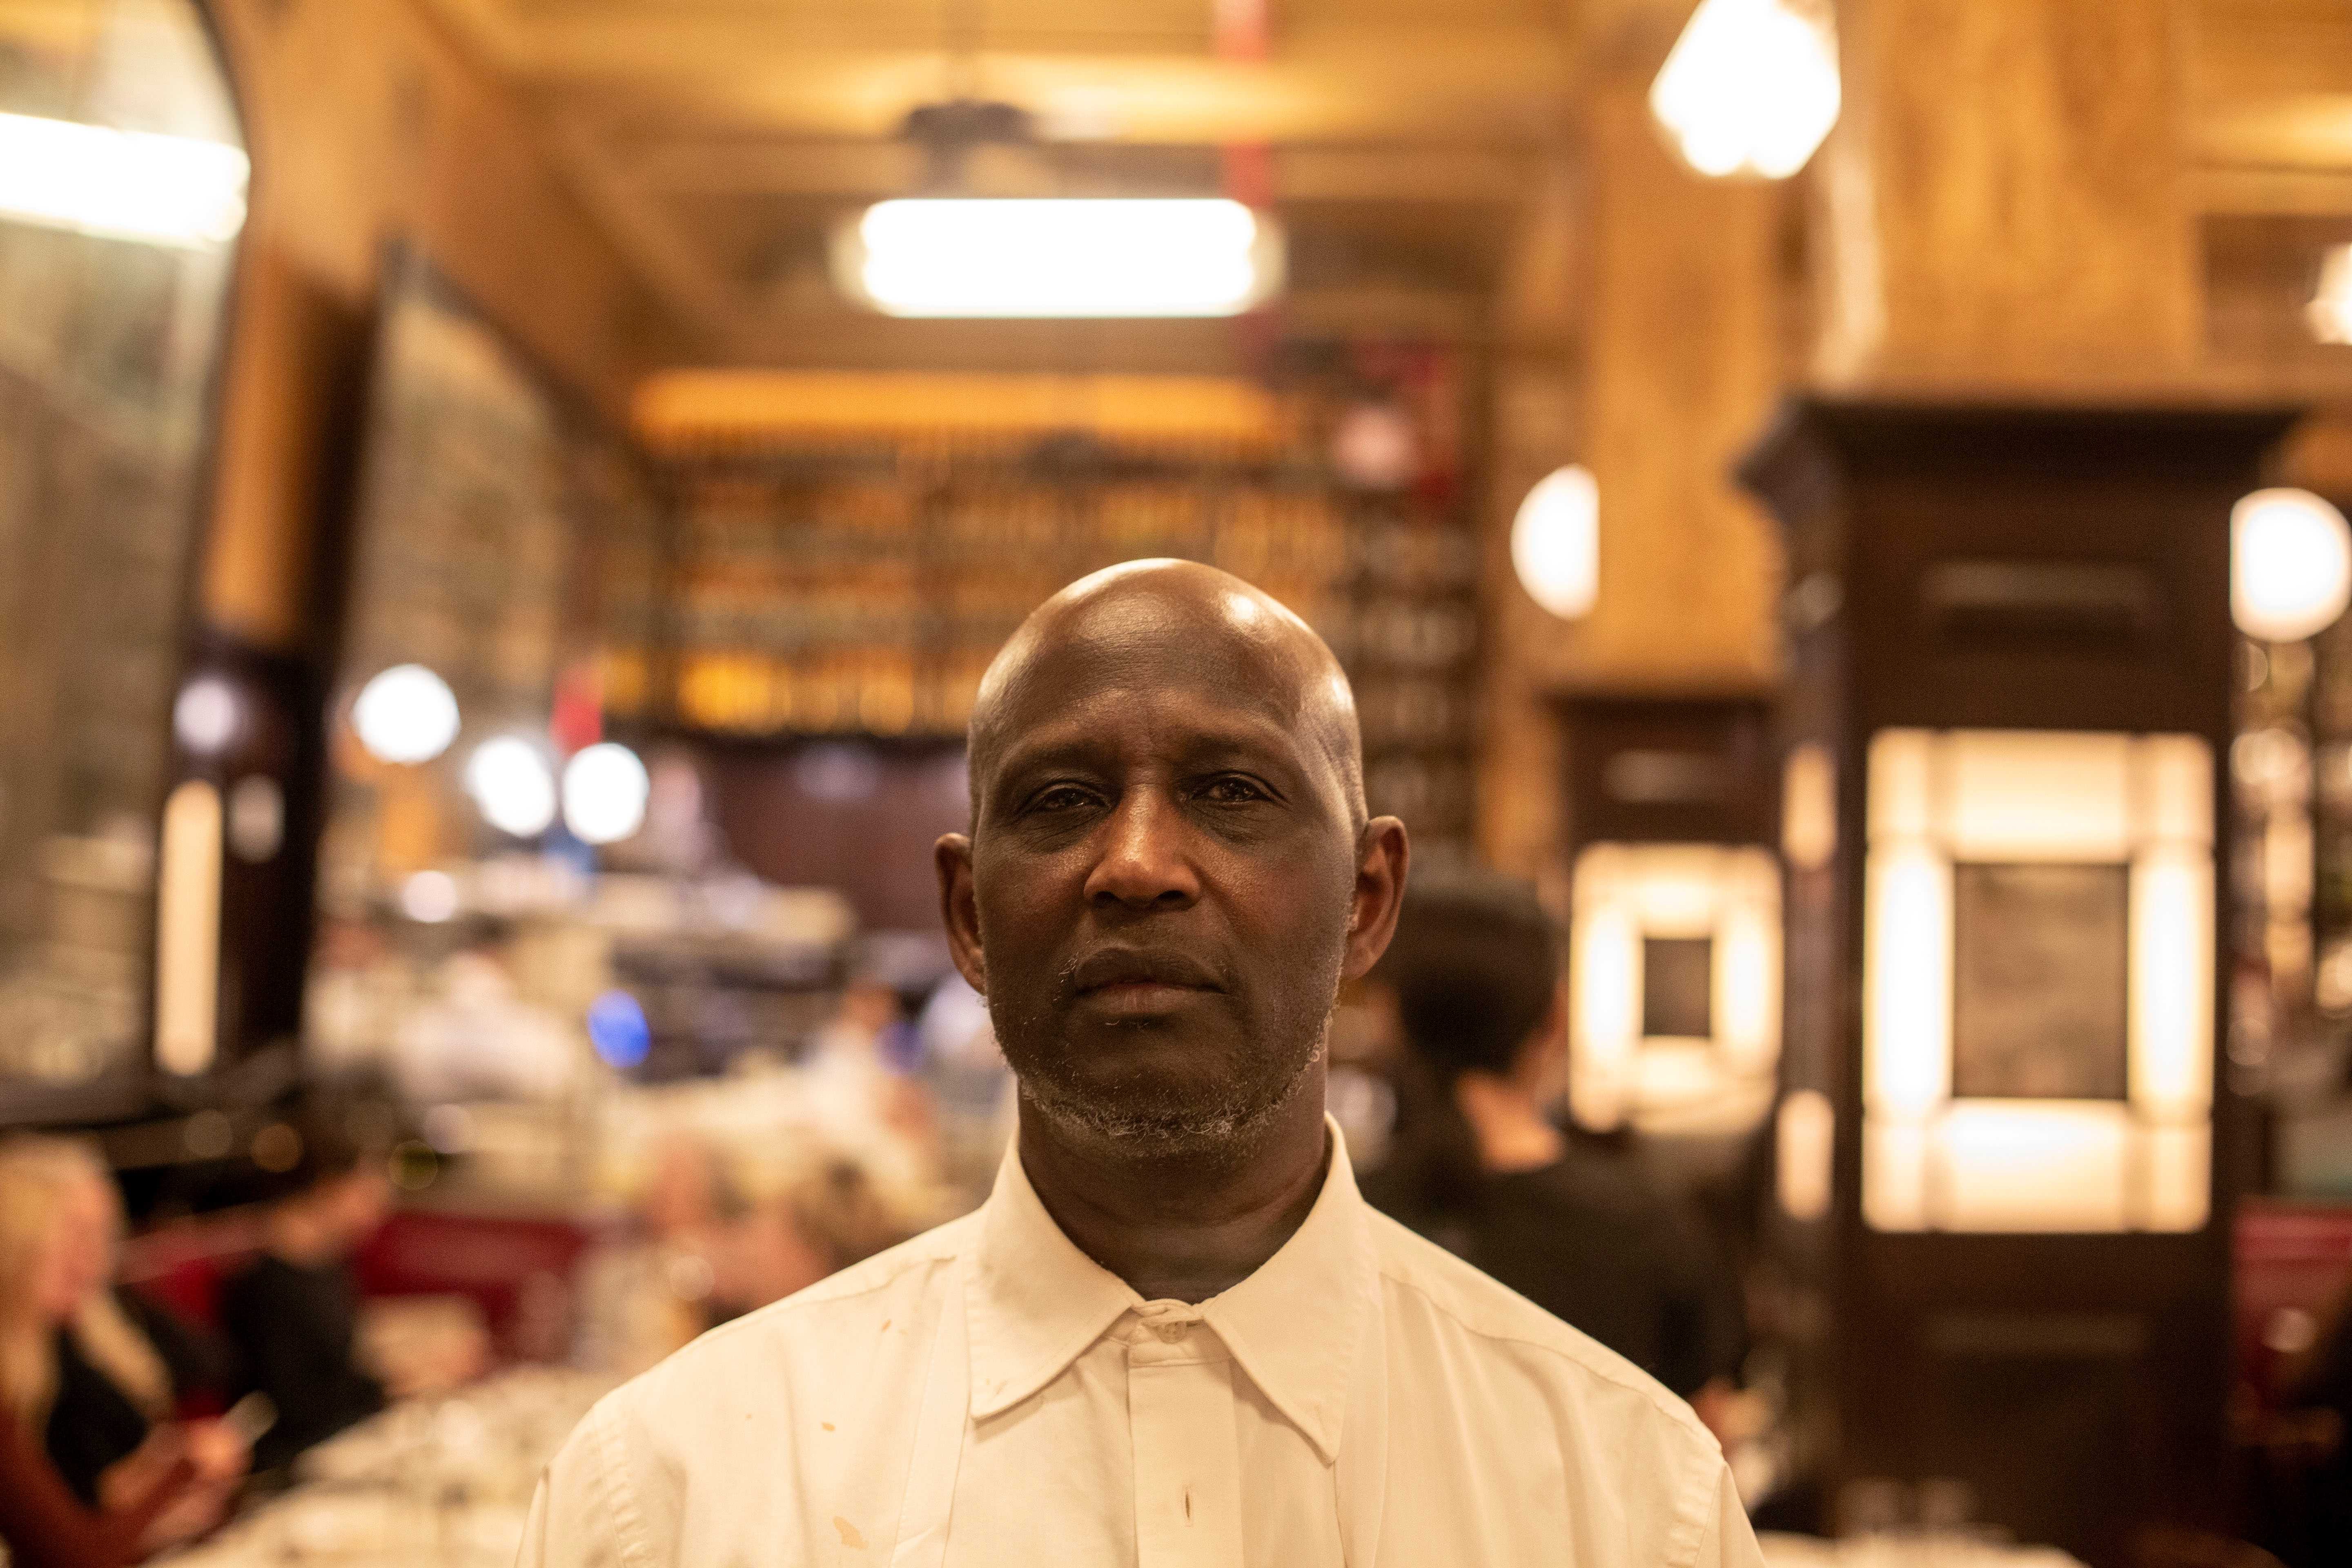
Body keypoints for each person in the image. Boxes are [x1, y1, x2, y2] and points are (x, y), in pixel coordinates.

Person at [521, 559, 1762, 1566]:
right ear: (967, 913)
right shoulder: (675, 1496)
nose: (1136, 863)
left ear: (1365, 900)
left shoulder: (1624, 1501)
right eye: (1062, 799)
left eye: (1231, 791)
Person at [1361, 875, 1746, 1430]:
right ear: (1557, 1018)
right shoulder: (1646, 1223)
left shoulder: (1342, 1216)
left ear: (1390, 1021)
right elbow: (1704, 1447)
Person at [0, 1144, 239, 1566]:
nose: (92, 1258)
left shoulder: (81, 1332)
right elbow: (68, 1550)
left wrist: (163, 1470)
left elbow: (209, 1364)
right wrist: (181, 1470)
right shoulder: (21, 1372)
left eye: (101, 1234)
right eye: (74, 1233)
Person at [216, 1115, 392, 1472]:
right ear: (328, 1190)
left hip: (341, 1445)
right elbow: (292, 1410)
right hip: (291, 1464)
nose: (378, 1210)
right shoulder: (266, 1285)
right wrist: (390, 1386)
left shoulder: (329, 1266)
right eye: (365, 1193)